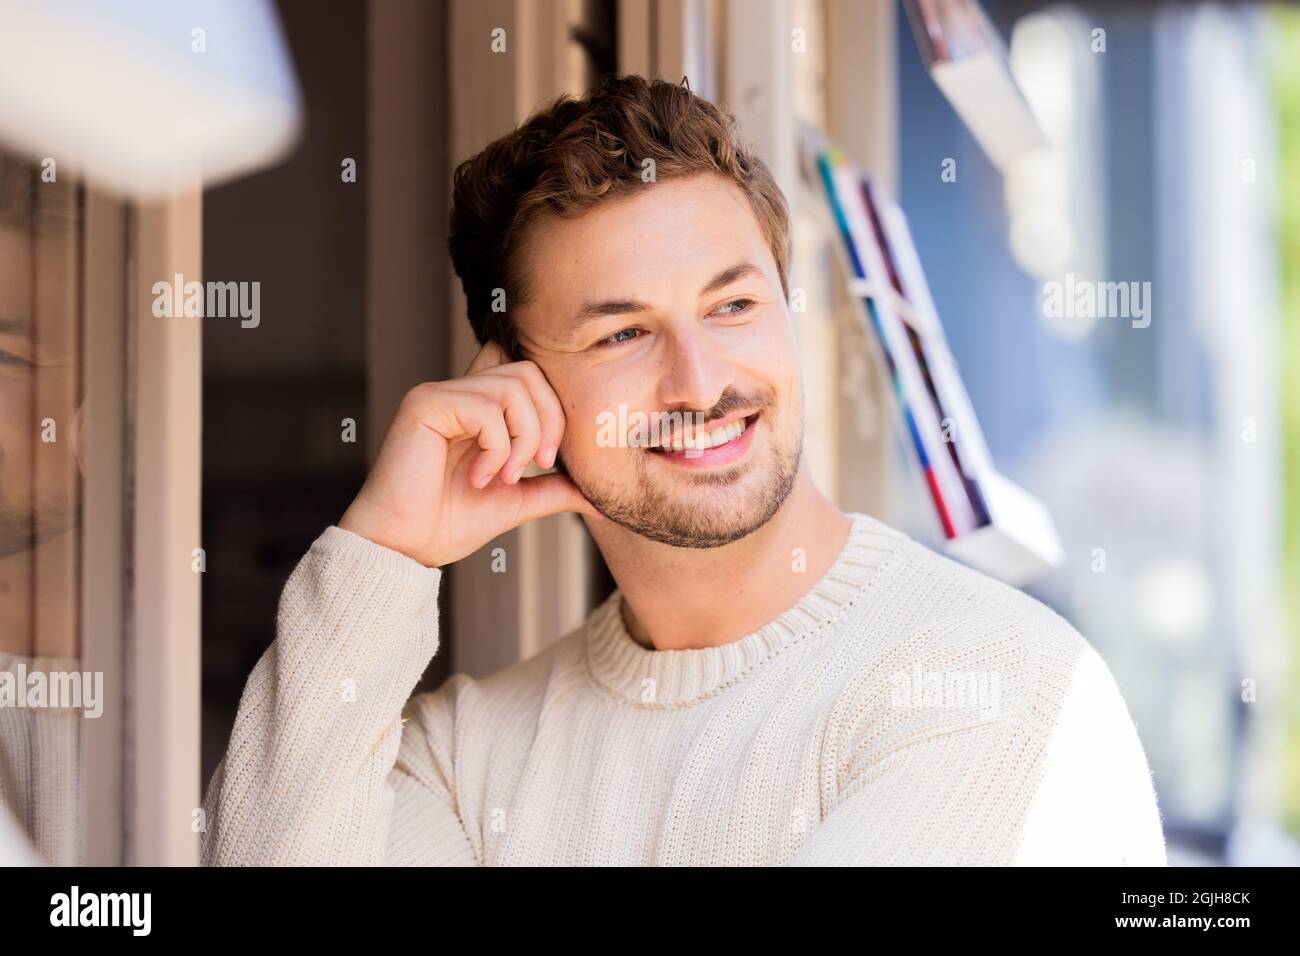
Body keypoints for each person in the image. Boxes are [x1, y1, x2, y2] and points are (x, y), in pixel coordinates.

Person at [200, 73, 1167, 866]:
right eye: (624, 332)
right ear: (519, 387)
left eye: (734, 305)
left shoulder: (996, 686)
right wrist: (384, 552)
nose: (701, 383)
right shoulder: (467, 761)